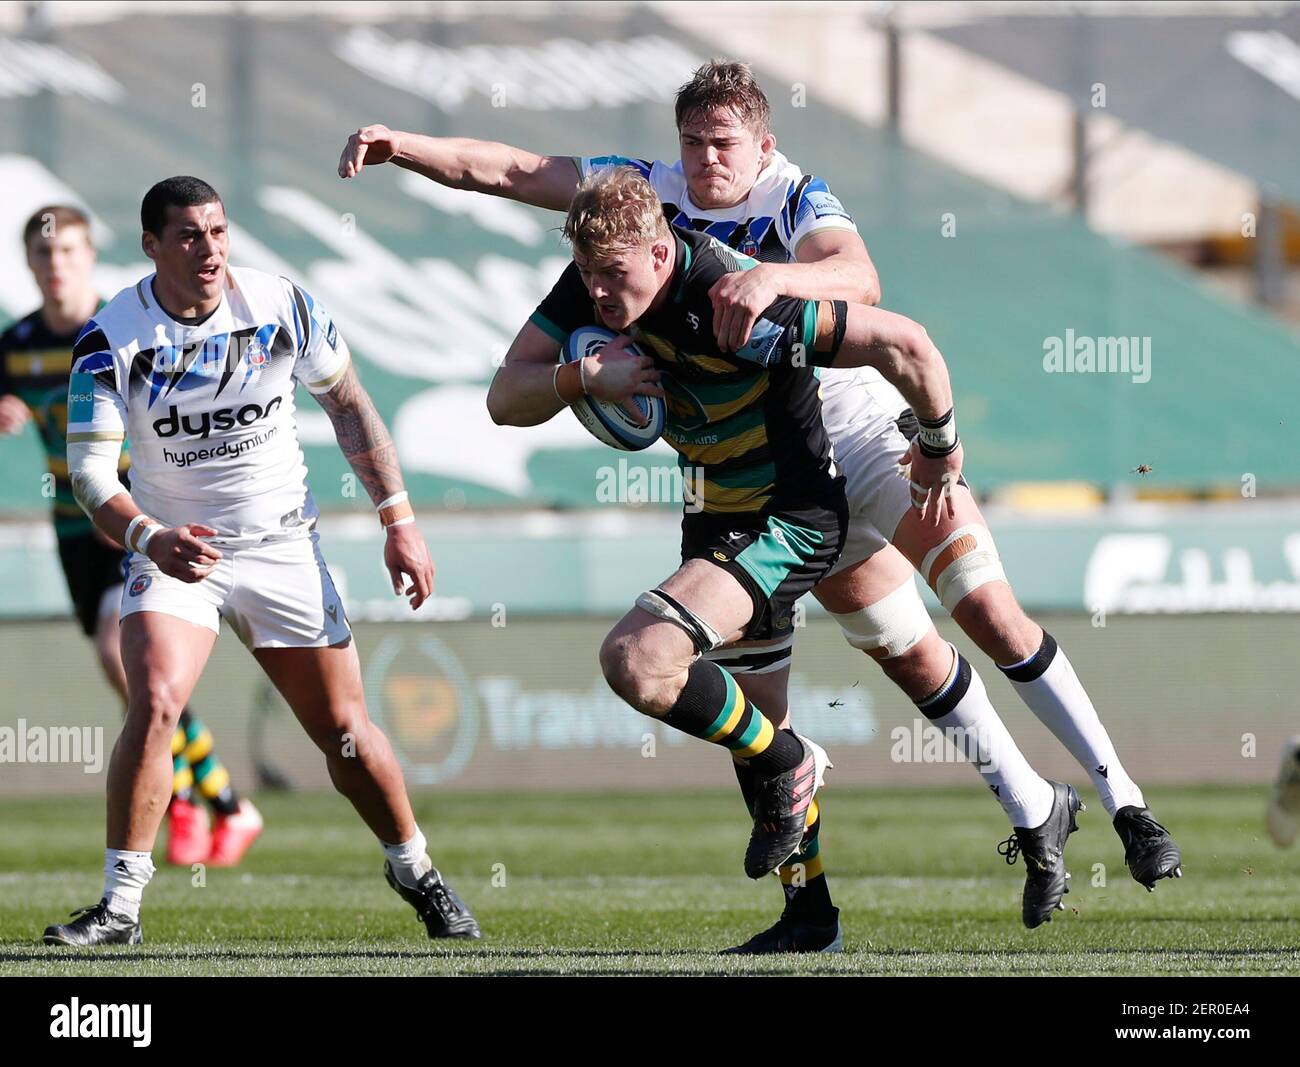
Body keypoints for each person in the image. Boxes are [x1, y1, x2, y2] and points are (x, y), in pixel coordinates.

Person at [338, 60, 1180, 947]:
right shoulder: (640, 199)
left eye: (723, 142)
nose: (705, 158)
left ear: (763, 145)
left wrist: (776, 281)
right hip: (749, 470)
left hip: (857, 432)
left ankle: (1126, 802)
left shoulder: (793, 197)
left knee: (987, 611)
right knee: (885, 662)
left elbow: (863, 281)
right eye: (691, 141)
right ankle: (996, 824)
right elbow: (512, 171)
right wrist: (405, 147)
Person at [487, 166, 1084, 947]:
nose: (597, 291)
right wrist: (583, 375)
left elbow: (904, 342)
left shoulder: (732, 299)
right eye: (587, 272)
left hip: (790, 518)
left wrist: (939, 445)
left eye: (612, 273)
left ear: (660, 253)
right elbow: (504, 397)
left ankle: (796, 760)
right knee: (749, 715)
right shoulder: (592, 283)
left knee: (639, 661)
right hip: (716, 514)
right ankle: (808, 913)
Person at [42, 176, 478, 946]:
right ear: (150, 246)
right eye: (188, 235)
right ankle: (120, 905)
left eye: (217, 231)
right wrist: (151, 538)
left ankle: (416, 870)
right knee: (155, 699)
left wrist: (399, 520)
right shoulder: (110, 340)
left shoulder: (281, 305)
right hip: (176, 552)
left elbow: (349, 404)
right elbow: (89, 478)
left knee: (345, 733)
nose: (208, 249)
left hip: (283, 547)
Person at [0, 203, 260, 867]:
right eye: (43, 253)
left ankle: (188, 799)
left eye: (67, 252)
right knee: (129, 675)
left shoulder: (119, 326)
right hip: (72, 525)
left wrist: (145, 510)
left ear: (89, 256)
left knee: (126, 659)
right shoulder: (18, 344)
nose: (55, 265)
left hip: (134, 519)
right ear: (28, 262)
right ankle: (223, 800)